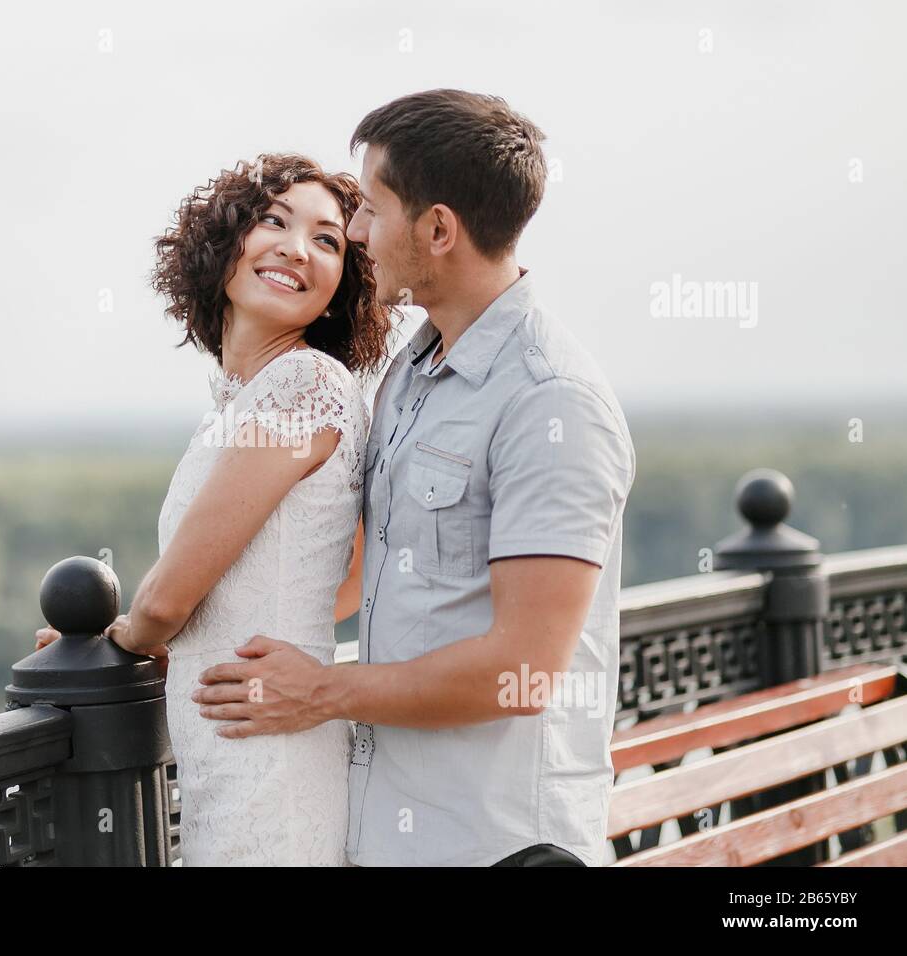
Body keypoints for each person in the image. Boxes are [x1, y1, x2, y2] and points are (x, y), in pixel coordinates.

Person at [193, 90, 637, 867]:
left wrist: (324, 691)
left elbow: (522, 672)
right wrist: (171, 644)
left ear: (437, 229)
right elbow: (352, 574)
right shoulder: (411, 372)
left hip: (496, 846)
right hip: (385, 832)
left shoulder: (549, 401)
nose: (357, 231)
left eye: (368, 208)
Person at [34, 152, 392, 864]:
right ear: (222, 243)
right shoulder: (248, 399)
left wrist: (129, 637)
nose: (298, 247)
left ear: (341, 284)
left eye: (327, 239)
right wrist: (212, 640)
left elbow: (167, 597)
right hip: (241, 746)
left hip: (268, 760)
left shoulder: (303, 381)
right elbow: (339, 584)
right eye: (274, 221)